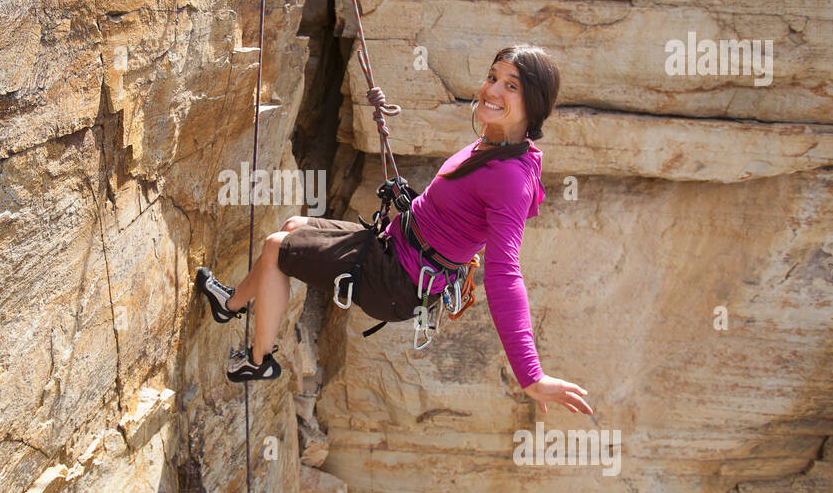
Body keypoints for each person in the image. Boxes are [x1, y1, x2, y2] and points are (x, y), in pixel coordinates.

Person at [196, 44, 591, 418]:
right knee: (293, 227)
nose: (492, 90)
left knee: (276, 247)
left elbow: (506, 274)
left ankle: (259, 362)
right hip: (393, 247)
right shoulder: (496, 145)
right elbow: (457, 216)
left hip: (397, 281)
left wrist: (531, 374)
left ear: (534, 103)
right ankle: (228, 305)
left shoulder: (509, 178)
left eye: (511, 85)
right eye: (493, 77)